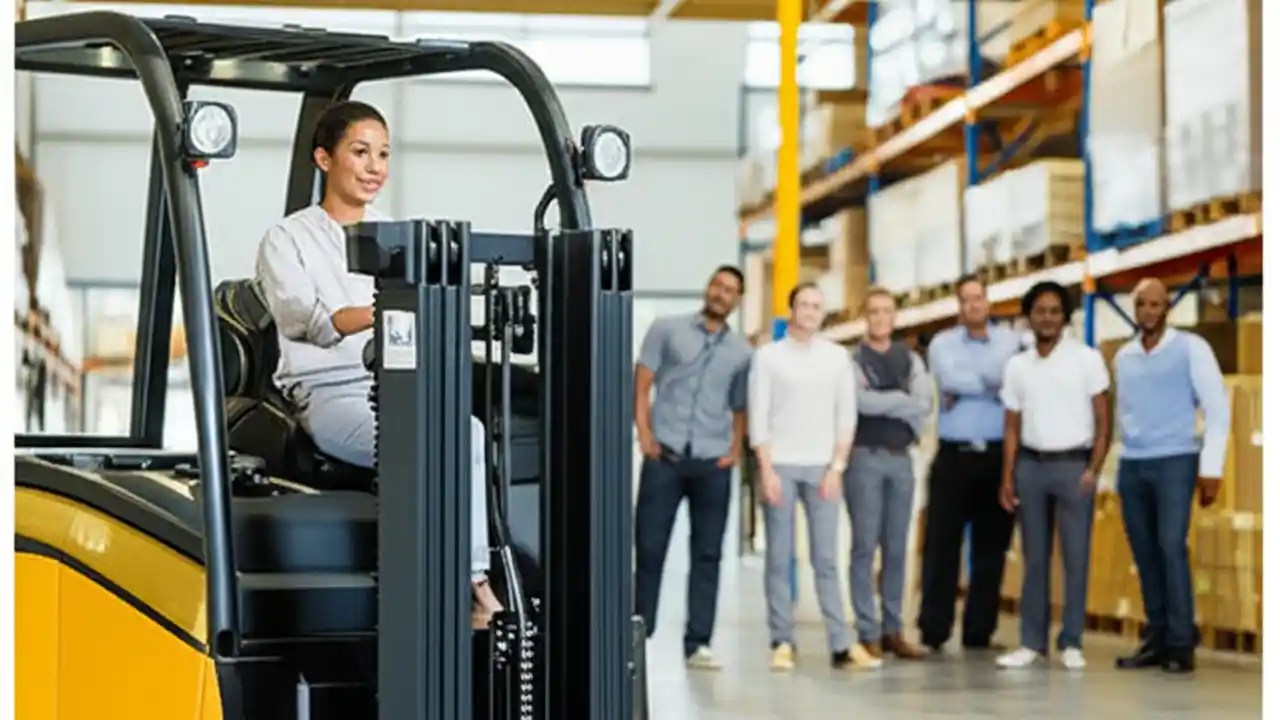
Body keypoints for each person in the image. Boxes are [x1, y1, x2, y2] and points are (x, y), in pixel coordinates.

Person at [254, 100, 502, 627]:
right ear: (324, 158)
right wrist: (383, 309)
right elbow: (307, 320)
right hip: (328, 394)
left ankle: (473, 575)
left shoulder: (398, 236)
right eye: (360, 152)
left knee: (470, 433)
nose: (375, 168)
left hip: (395, 384)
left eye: (384, 155)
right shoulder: (287, 238)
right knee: (416, 444)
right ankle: (435, 586)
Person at [749, 283, 877, 672]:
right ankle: (782, 641)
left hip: (823, 469)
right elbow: (759, 417)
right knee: (779, 557)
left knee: (825, 559)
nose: (810, 311)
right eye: (803, 304)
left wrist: (836, 468)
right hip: (781, 468)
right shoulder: (768, 357)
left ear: (823, 313)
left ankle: (841, 645)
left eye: (817, 305)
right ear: (791, 311)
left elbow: (846, 416)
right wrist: (767, 470)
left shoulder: (838, 358)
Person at [633, 265, 753, 669]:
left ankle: (698, 642)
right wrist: (644, 433)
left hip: (711, 463)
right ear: (708, 288)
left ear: (738, 300)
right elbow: (642, 382)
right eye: (718, 285)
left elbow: (739, 406)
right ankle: (637, 632)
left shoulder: (742, 353)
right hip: (663, 459)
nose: (721, 294)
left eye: (731, 290)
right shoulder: (667, 330)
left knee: (707, 554)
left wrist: (734, 449)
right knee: (649, 549)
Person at [1113, 278, 1229, 673]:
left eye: (1157, 305)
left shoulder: (1191, 349)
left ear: (1167, 308)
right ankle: (1157, 636)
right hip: (1132, 464)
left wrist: (1211, 468)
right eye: (1142, 304)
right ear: (1134, 307)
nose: (1149, 311)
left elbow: (1217, 410)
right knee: (1144, 552)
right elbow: (1122, 417)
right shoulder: (1124, 357)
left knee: (1169, 545)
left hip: (1176, 461)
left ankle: (1181, 643)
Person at [996, 281, 1111, 670]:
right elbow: (1011, 426)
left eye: (1055, 311)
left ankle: (1072, 641)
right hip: (1030, 466)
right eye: (1040, 311)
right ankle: (1031, 642)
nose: (1047, 318)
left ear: (1064, 317)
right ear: (1028, 316)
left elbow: (1103, 419)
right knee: (1034, 558)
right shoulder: (1017, 366)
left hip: (1073, 467)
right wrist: (1008, 477)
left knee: (1076, 558)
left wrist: (1093, 468)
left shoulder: (1086, 359)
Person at [917, 275, 1022, 652]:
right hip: (954, 457)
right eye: (965, 300)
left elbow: (1009, 381)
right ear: (958, 306)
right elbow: (950, 377)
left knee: (991, 548)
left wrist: (971, 386)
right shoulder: (942, 344)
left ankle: (979, 632)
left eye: (978, 298)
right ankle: (934, 629)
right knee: (941, 545)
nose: (973, 305)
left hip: (997, 457)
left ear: (988, 303)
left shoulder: (1013, 341)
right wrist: (991, 386)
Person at [844, 287, 933, 661]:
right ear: (866, 316)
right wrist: (901, 400)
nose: (881, 318)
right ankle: (867, 631)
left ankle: (893, 629)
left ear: (895, 318)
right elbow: (859, 401)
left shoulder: (910, 360)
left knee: (897, 547)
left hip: (901, 459)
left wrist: (890, 402)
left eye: (887, 312)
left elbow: (924, 405)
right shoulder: (851, 360)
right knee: (865, 545)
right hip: (864, 457)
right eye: (874, 312)